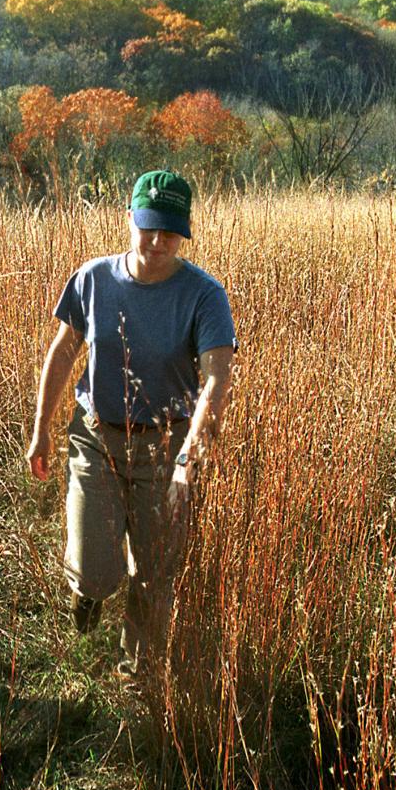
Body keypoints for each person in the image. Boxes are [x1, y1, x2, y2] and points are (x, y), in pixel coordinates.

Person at [26, 170, 236, 678]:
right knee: (95, 564)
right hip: (97, 437)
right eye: (148, 228)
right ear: (129, 220)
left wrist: (187, 462)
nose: (158, 241)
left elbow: (216, 382)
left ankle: (135, 670)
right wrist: (42, 428)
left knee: (156, 568)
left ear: (185, 230)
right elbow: (63, 351)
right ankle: (91, 590)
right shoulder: (94, 278)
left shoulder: (204, 295)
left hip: (166, 445)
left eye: (170, 231)